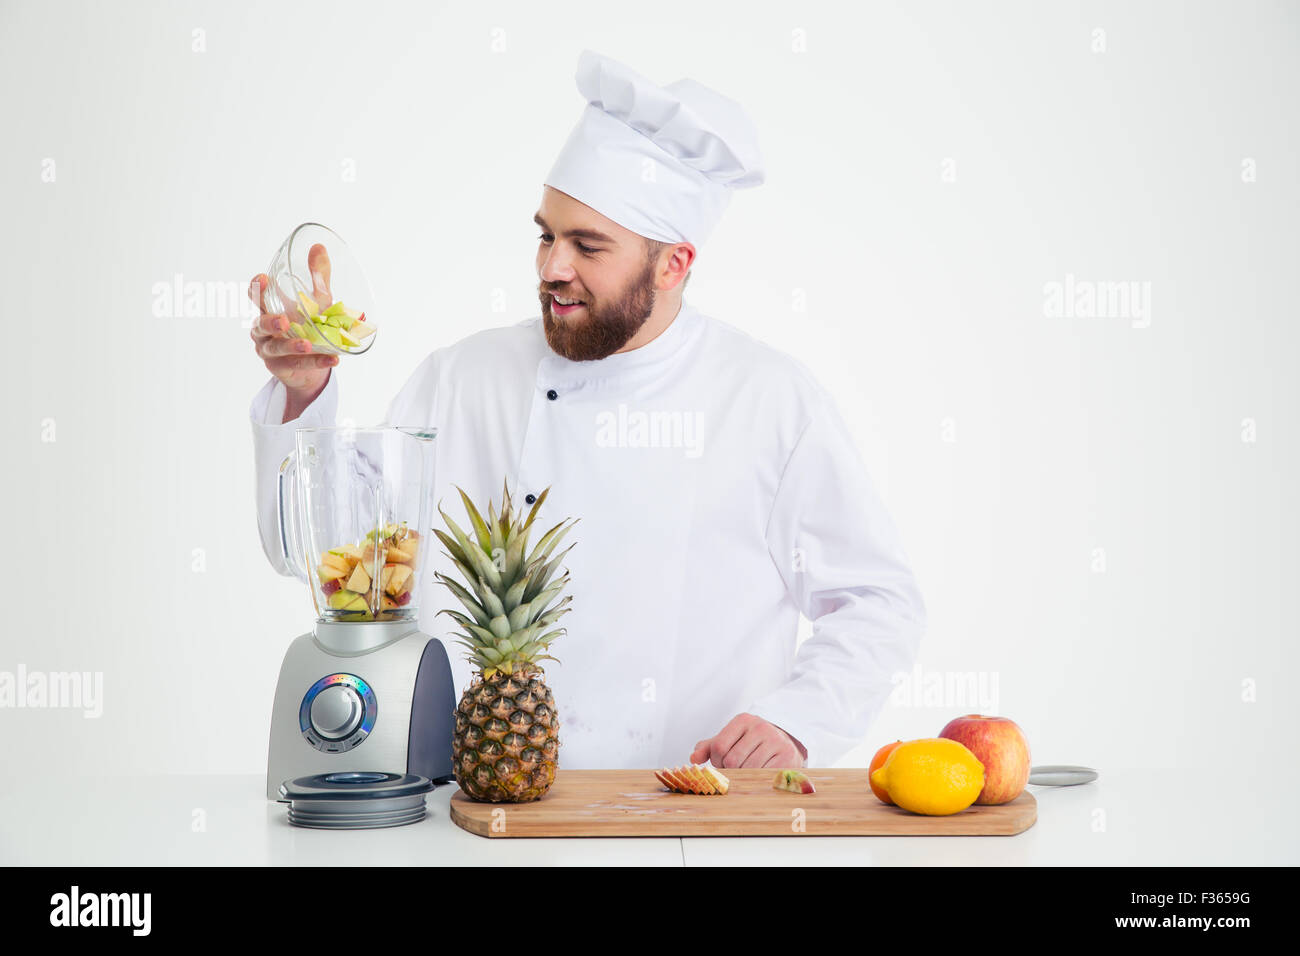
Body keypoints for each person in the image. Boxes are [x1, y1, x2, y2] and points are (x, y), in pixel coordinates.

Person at [248, 49, 925, 770]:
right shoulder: (460, 379)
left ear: (674, 264)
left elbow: (879, 602)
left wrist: (796, 722)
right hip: (476, 820)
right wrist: (304, 393)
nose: (550, 268)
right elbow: (329, 561)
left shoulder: (768, 400)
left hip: (689, 821)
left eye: (586, 246)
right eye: (546, 234)